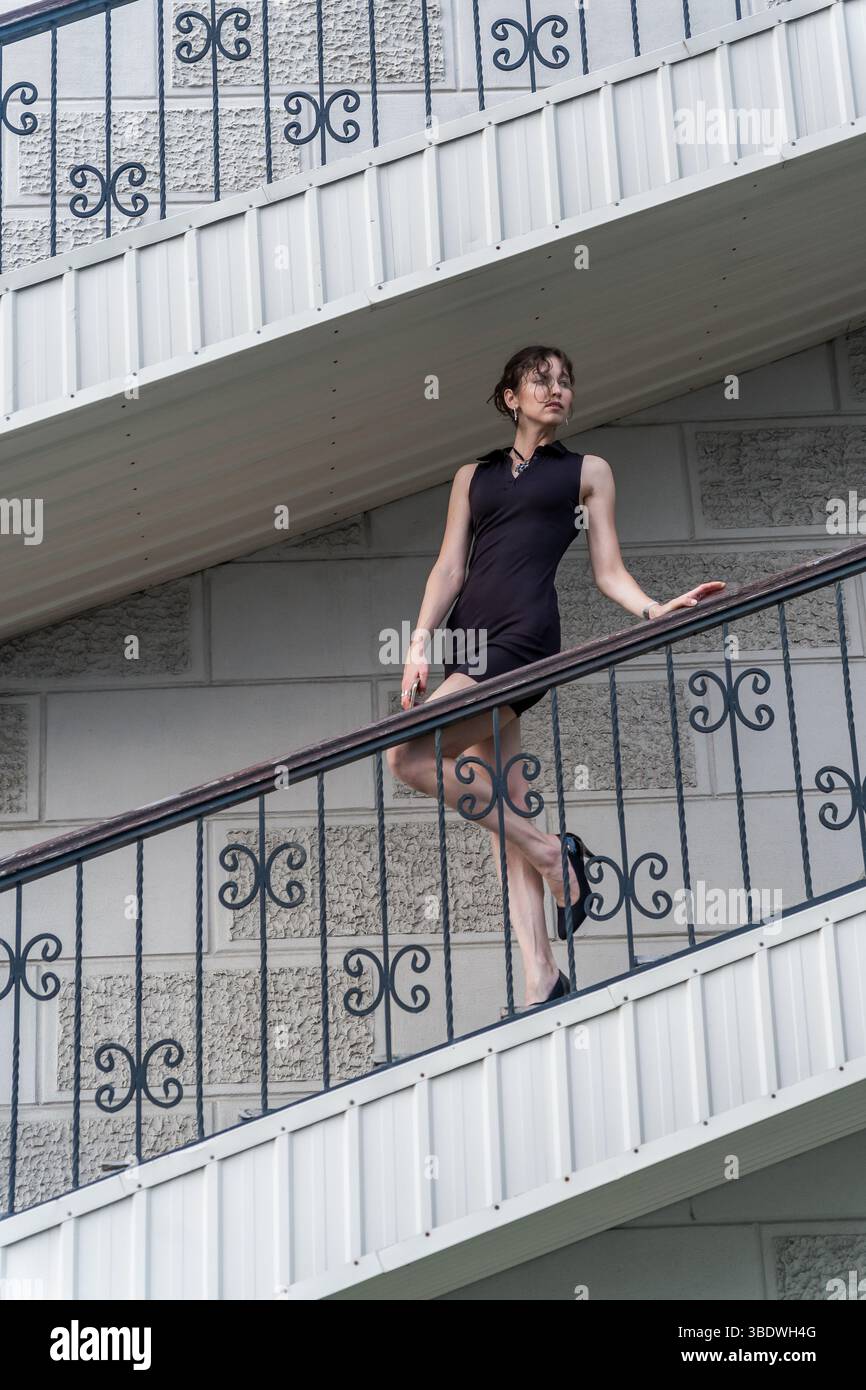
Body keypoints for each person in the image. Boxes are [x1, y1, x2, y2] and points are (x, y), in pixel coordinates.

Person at [386, 345, 724, 1009]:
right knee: (502, 806)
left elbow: (607, 571)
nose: (557, 389)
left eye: (566, 381)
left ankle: (552, 853)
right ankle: (543, 976)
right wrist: (419, 645)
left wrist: (657, 608)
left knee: (406, 755)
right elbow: (450, 570)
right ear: (510, 396)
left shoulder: (586, 472)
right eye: (541, 380)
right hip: (467, 645)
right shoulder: (472, 477)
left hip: (524, 639)